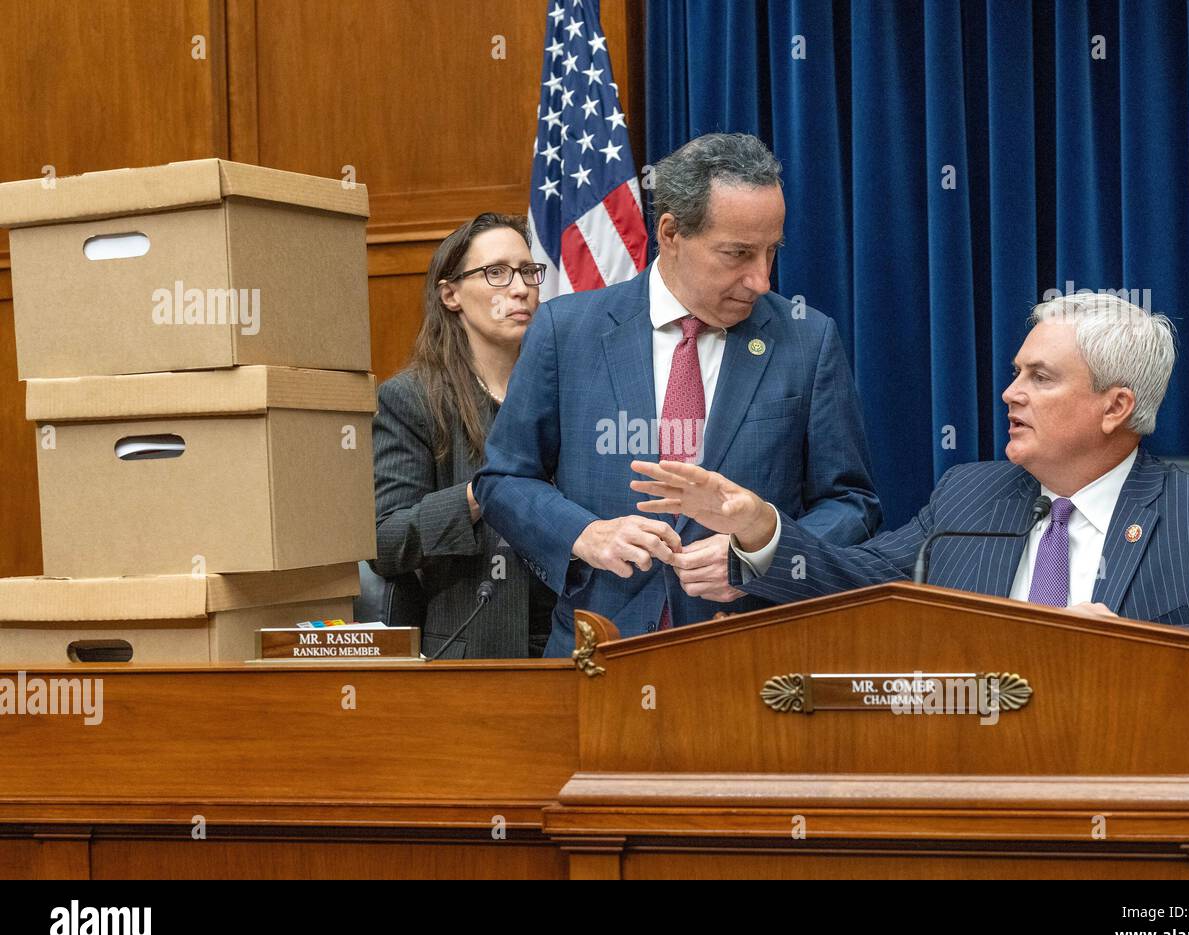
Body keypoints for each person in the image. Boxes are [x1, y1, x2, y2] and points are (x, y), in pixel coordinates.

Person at [631, 291, 1189, 650]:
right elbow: (858, 581)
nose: (1011, 394)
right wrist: (759, 527)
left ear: (1116, 406)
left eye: (1040, 378)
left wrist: (1138, 645)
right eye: (1016, 373)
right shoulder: (971, 495)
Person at [474, 133, 881, 657]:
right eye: (738, 254)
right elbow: (504, 479)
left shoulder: (807, 339)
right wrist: (584, 534)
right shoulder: (565, 330)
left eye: (771, 252)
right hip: (600, 651)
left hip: (751, 656)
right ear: (670, 233)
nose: (761, 280)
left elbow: (851, 503)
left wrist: (761, 554)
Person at [372, 213, 556, 658]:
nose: (520, 288)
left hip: (574, 640)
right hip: (476, 651)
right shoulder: (412, 398)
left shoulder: (565, 390)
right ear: (450, 294)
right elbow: (385, 542)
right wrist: (480, 494)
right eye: (497, 273)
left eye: (528, 271)